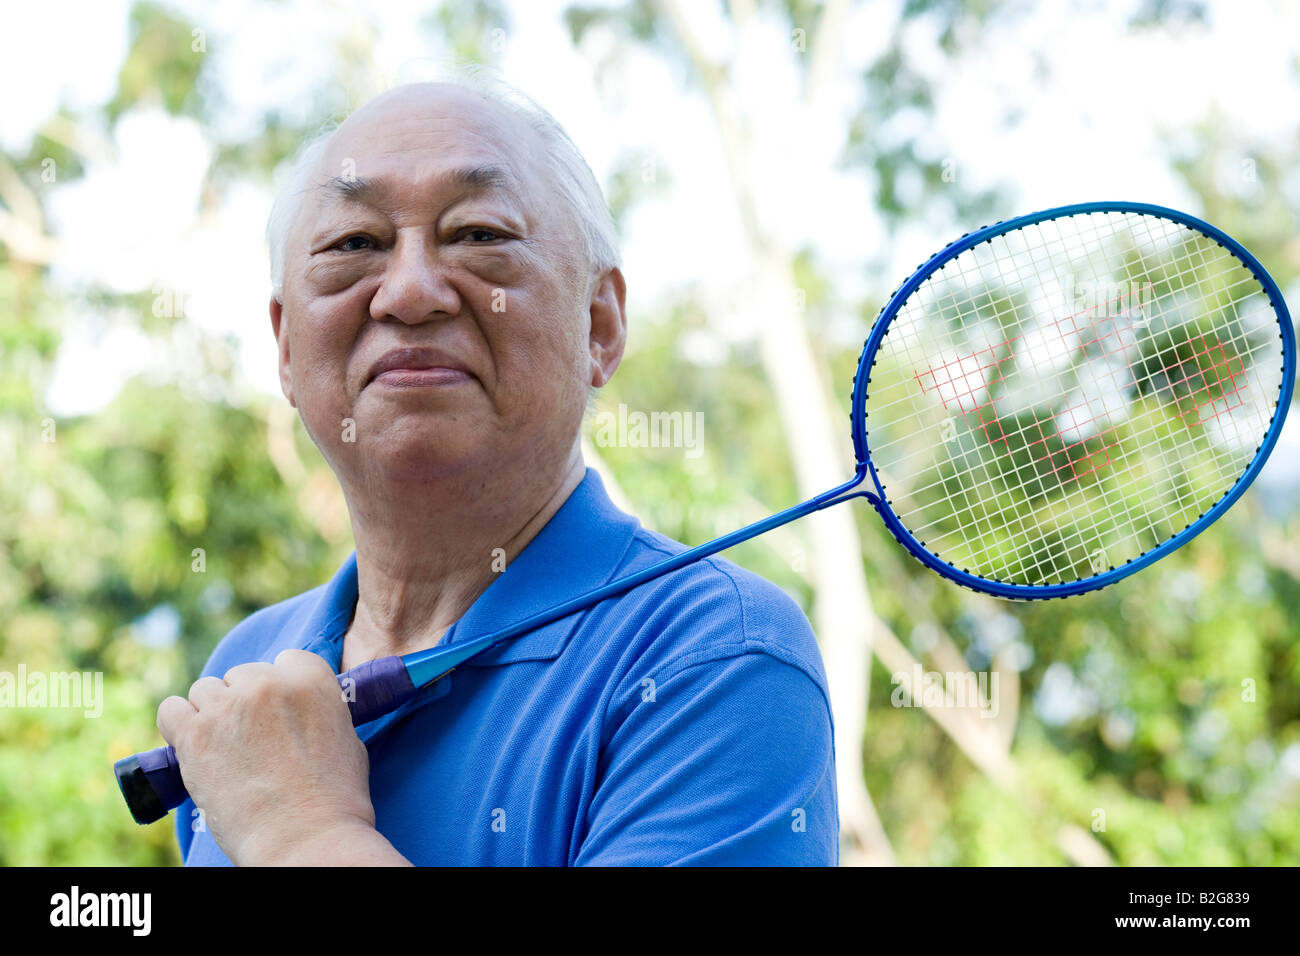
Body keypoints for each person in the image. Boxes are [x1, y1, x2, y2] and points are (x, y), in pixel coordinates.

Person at [160, 68, 837, 866]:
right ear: (282, 346)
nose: (409, 293)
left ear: (600, 324)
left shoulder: (716, 659)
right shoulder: (250, 665)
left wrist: (301, 832)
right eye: (355, 244)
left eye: (479, 234)